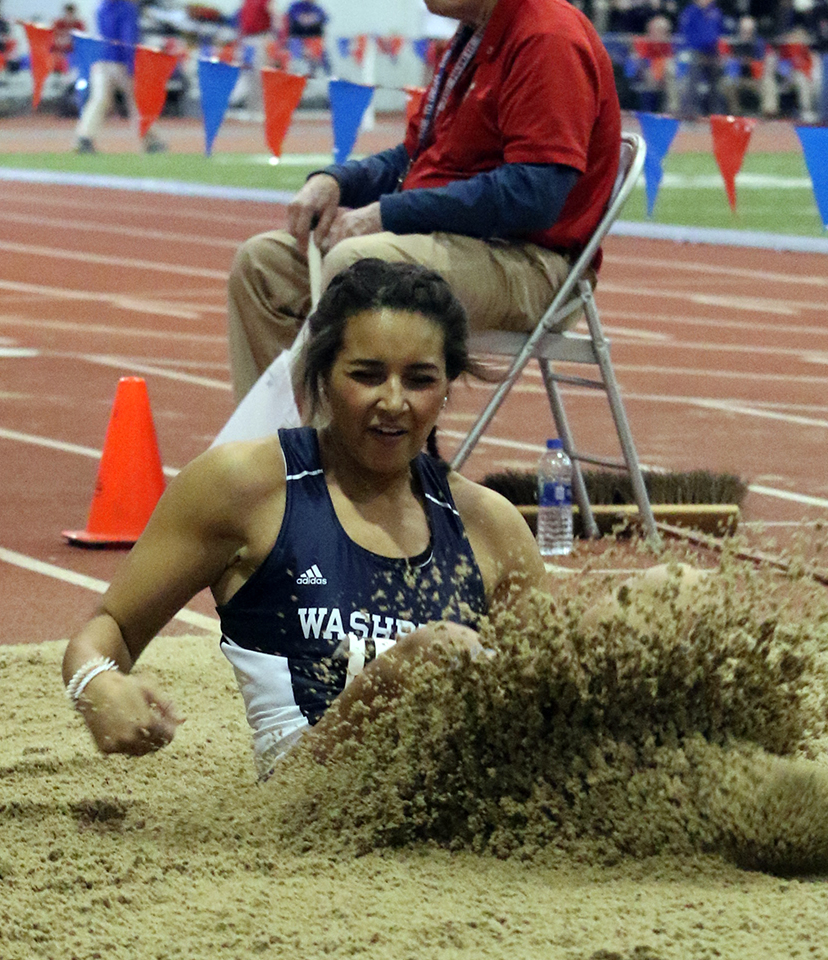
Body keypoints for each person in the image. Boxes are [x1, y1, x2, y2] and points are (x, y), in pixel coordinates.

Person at [62, 260, 545, 774]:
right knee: (438, 653)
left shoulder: (488, 524)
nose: (393, 401)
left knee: (643, 598)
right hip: (310, 787)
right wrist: (97, 685)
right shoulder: (245, 487)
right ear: (323, 376)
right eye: (367, 375)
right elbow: (108, 628)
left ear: (447, 386)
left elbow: (547, 693)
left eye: (420, 379)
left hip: (470, 793)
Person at [225, 0, 622, 402]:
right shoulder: (472, 38)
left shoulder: (547, 36)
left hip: (532, 263)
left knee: (361, 266)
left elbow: (534, 195)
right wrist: (336, 181)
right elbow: (414, 158)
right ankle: (277, 451)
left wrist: (388, 215)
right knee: (262, 265)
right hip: (465, 244)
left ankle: (353, 456)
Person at [74, 0, 167, 154]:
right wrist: (133, 66)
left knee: (99, 100)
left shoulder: (101, 7)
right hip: (121, 62)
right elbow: (128, 38)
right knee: (138, 102)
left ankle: (84, 137)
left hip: (101, 59)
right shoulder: (126, 8)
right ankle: (152, 141)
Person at [676, 0, 727, 120]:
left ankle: (716, 114)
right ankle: (689, 112)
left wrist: (716, 51)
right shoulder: (689, 12)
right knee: (692, 80)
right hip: (695, 52)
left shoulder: (716, 11)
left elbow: (719, 31)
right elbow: (687, 35)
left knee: (716, 82)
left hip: (712, 52)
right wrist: (698, 51)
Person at [51, 2, 85, 74]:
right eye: (68, 14)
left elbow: (81, 42)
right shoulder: (58, 23)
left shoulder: (79, 24)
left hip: (72, 53)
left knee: (73, 59)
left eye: (71, 14)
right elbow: (53, 39)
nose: (69, 16)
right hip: (58, 52)